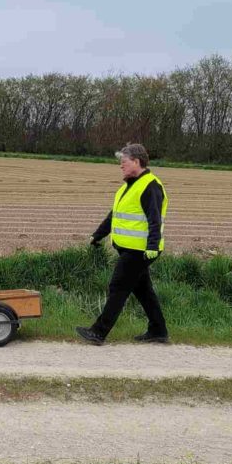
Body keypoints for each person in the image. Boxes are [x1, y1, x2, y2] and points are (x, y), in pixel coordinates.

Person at [76, 143, 170, 345]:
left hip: (140, 251)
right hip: (130, 249)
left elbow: (155, 220)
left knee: (118, 286)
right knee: (144, 291)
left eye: (124, 163)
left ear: (137, 162)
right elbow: (114, 217)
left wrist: (152, 247)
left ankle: (99, 332)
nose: (121, 166)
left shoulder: (150, 186)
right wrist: (98, 235)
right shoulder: (128, 186)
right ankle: (158, 330)